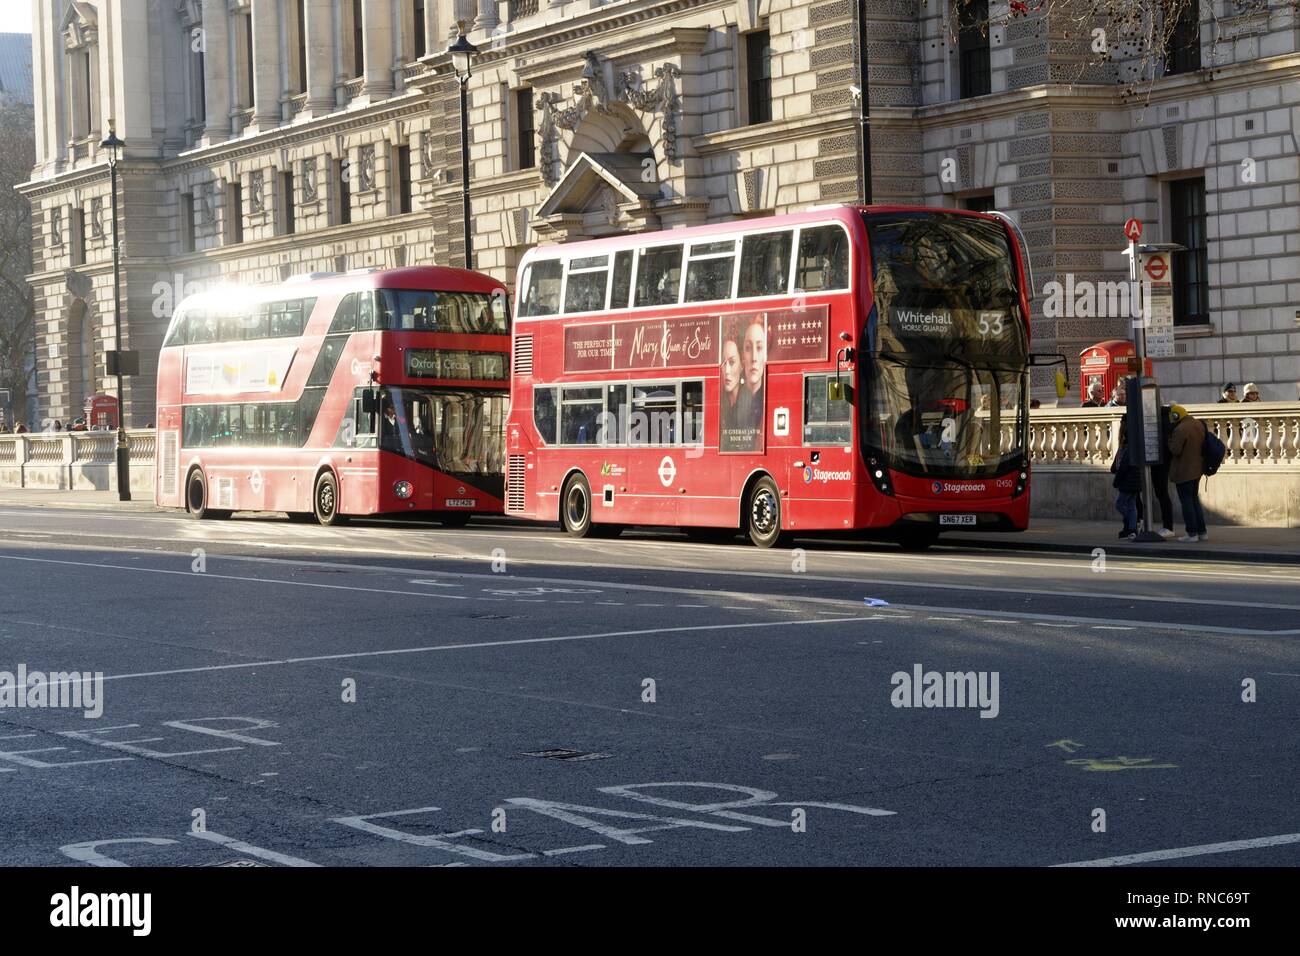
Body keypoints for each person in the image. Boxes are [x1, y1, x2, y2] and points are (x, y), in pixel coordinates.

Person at [1167, 404, 1208, 542]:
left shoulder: (1180, 429)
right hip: (1197, 470)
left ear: (1176, 416)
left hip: (1184, 471)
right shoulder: (1198, 424)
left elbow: (1175, 450)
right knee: (1194, 501)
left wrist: (1169, 440)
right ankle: (1202, 531)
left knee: (1187, 503)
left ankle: (1191, 533)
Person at [1110, 433, 1141, 540]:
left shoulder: (1128, 450)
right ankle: (1132, 530)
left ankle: (1132, 524)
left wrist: (1116, 481)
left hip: (1128, 482)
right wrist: (1113, 469)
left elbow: (1123, 467)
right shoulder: (1123, 449)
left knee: (1119, 504)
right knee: (1131, 505)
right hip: (1132, 482)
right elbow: (1116, 464)